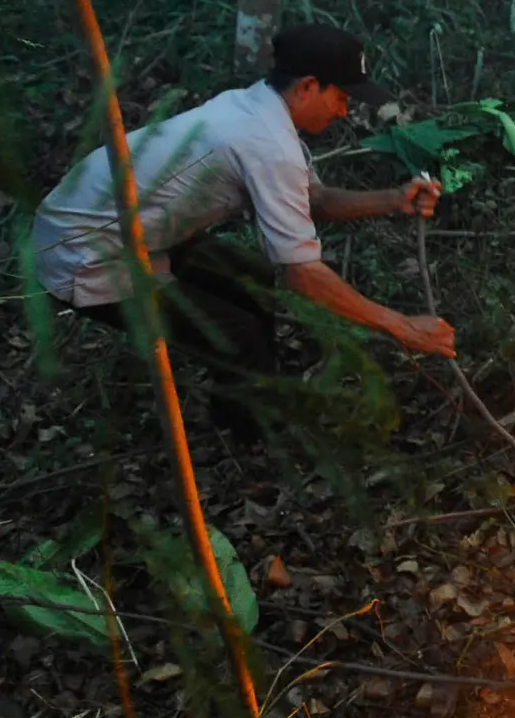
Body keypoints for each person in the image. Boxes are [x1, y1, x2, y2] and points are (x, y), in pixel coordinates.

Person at [31, 24, 456, 444]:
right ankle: (259, 442)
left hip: (126, 227)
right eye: (341, 97)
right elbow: (302, 276)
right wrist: (401, 326)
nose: (344, 111)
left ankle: (249, 399)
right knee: (237, 332)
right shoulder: (266, 143)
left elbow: (312, 199)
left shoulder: (255, 107)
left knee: (251, 281)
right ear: (308, 87)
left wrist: (392, 199)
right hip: (85, 251)